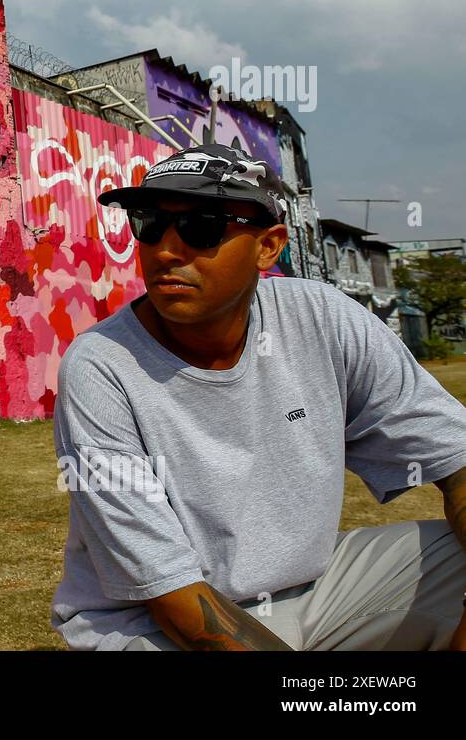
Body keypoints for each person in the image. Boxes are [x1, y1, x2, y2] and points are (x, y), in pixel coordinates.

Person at [49, 142, 466, 650]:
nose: (164, 250)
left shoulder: (322, 319)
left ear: (268, 247)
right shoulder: (101, 366)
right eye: (150, 223)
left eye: (202, 226)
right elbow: (177, 599)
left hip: (315, 592)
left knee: (453, 554)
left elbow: (457, 459)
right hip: (157, 626)